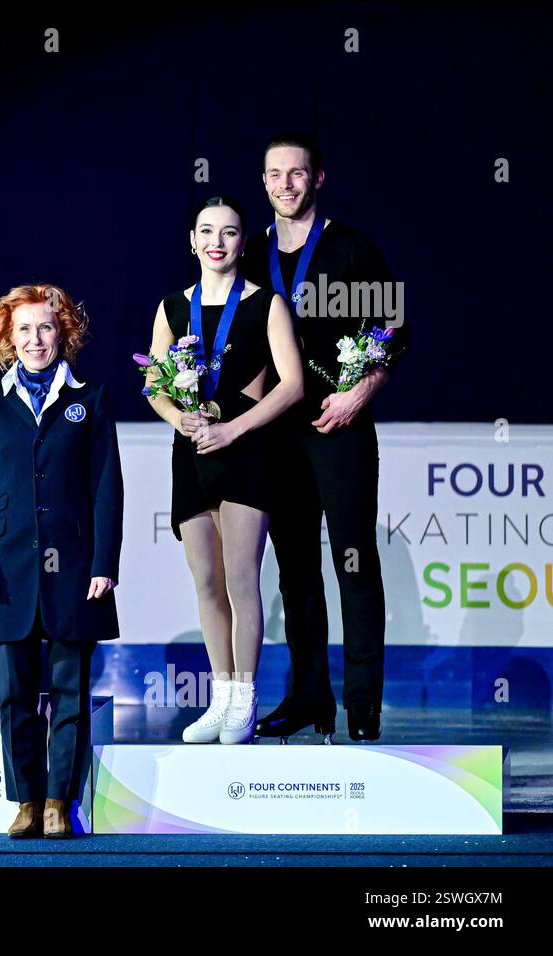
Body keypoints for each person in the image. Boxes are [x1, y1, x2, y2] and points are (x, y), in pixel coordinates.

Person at [241, 134, 409, 742]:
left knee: (354, 565)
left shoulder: (352, 249)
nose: (286, 184)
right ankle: (309, 697)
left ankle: (364, 709)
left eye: (298, 173)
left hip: (339, 429)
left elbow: (394, 332)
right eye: (275, 174)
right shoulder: (249, 255)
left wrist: (360, 393)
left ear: (317, 180)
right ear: (263, 182)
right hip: (276, 436)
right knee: (294, 573)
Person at [0, 284, 122, 838]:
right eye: (24, 329)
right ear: (8, 337)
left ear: (65, 333)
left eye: (46, 328)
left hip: (75, 569)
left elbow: (107, 487)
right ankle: (27, 801)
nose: (36, 339)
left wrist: (104, 563)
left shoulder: (92, 398)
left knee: (71, 693)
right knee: (14, 695)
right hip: (6, 571)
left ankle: (60, 800)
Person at [144, 196, 303, 745]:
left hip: (247, 450)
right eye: (206, 232)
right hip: (192, 452)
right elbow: (155, 384)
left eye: (229, 233)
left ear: (242, 242)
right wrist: (178, 419)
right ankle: (218, 696)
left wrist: (232, 429)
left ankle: (245, 697)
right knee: (206, 580)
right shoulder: (170, 307)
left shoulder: (267, 304)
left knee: (240, 579)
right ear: (192, 241)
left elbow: (293, 385)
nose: (217, 241)